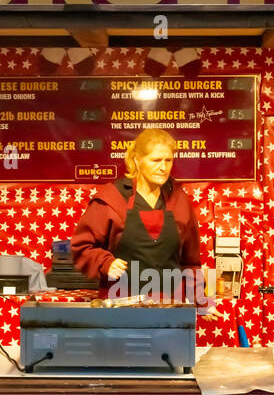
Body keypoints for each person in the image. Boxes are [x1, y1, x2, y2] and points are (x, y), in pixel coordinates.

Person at [70, 128, 203, 298]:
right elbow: (81, 247)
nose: (163, 167)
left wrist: (200, 299)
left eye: (168, 160)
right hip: (121, 304)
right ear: (137, 160)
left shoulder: (179, 200)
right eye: (156, 160)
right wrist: (105, 263)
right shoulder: (112, 198)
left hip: (170, 305)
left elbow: (191, 263)